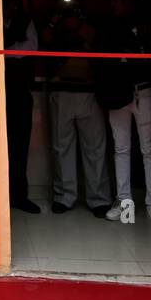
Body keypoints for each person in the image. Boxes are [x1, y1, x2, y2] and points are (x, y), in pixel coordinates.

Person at [97, 0, 151, 227]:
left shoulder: (145, 24)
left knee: (149, 148)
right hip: (118, 93)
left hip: (143, 90)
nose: (114, 3)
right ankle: (123, 200)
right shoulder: (108, 27)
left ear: (129, 2)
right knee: (121, 148)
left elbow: (149, 57)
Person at [47, 17, 112, 217]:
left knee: (95, 147)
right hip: (62, 90)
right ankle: (64, 197)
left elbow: (100, 51)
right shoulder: (56, 25)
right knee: (61, 146)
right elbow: (47, 47)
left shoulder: (91, 25)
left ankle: (99, 199)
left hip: (89, 91)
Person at [3, 0, 40, 214]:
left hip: (20, 94)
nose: (10, 4)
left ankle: (19, 195)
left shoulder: (26, 21)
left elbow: (30, 48)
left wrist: (7, 47)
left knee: (20, 147)